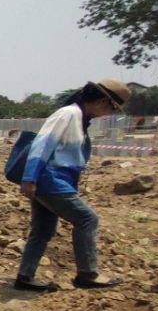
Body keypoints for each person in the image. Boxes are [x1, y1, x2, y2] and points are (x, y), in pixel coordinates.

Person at [14, 79, 131, 291]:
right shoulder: (68, 114)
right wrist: (29, 178)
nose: (110, 113)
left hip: (54, 181)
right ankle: (87, 274)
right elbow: (42, 144)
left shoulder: (79, 119)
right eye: (112, 108)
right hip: (51, 181)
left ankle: (25, 277)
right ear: (103, 100)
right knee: (87, 219)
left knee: (42, 230)